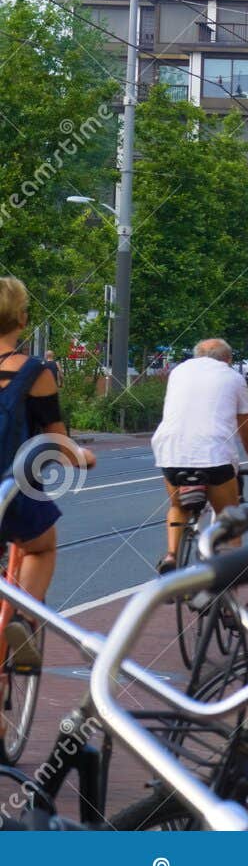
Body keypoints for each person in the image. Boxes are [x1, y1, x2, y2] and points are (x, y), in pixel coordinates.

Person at [0, 278, 95, 663]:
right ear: (21, 318)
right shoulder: (34, 371)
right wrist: (81, 457)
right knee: (41, 547)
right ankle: (22, 616)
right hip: (12, 492)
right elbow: (55, 438)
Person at [150, 339, 248, 575]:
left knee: (177, 506)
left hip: (170, 451)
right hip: (215, 456)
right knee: (229, 518)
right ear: (228, 359)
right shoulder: (233, 378)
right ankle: (228, 589)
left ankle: (171, 554)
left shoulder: (178, 372)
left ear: (196, 356)